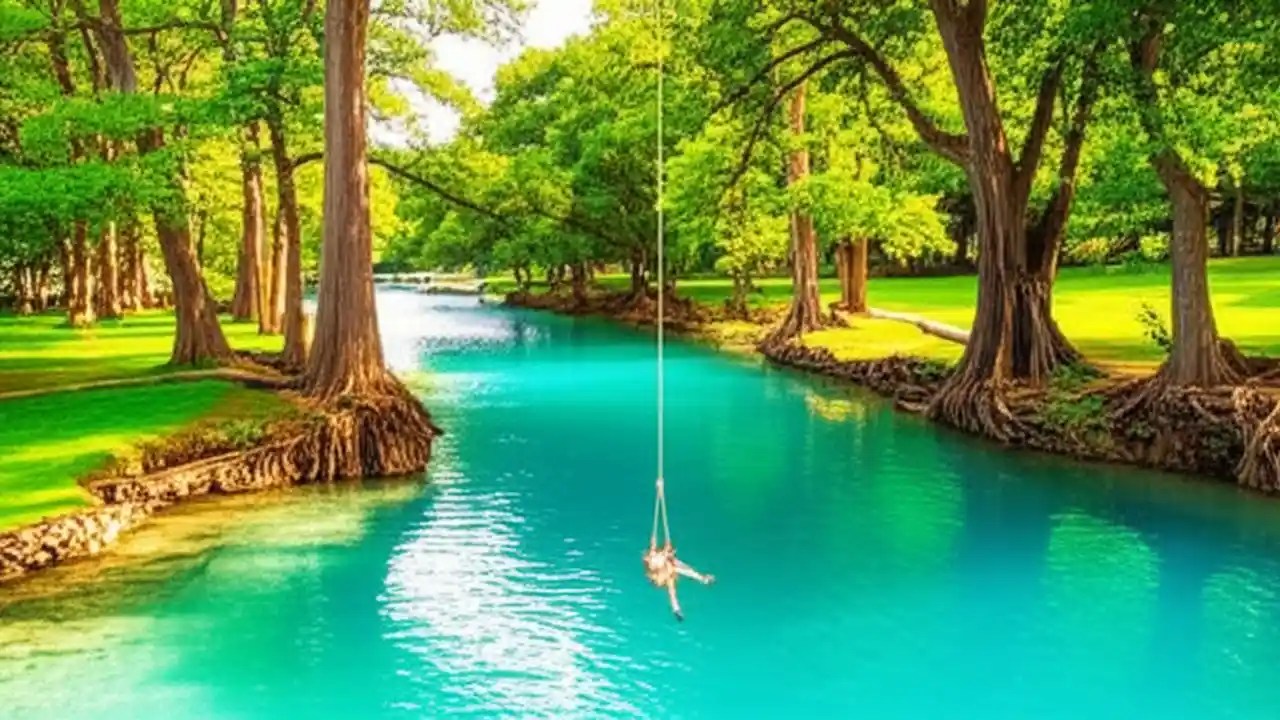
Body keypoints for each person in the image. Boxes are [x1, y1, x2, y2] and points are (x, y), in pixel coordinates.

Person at [643, 543, 714, 622]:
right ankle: (703, 579)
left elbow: (683, 567)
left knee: (684, 573)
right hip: (664, 572)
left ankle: (703, 579)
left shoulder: (665, 562)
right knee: (674, 587)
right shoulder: (657, 562)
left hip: (667, 570)